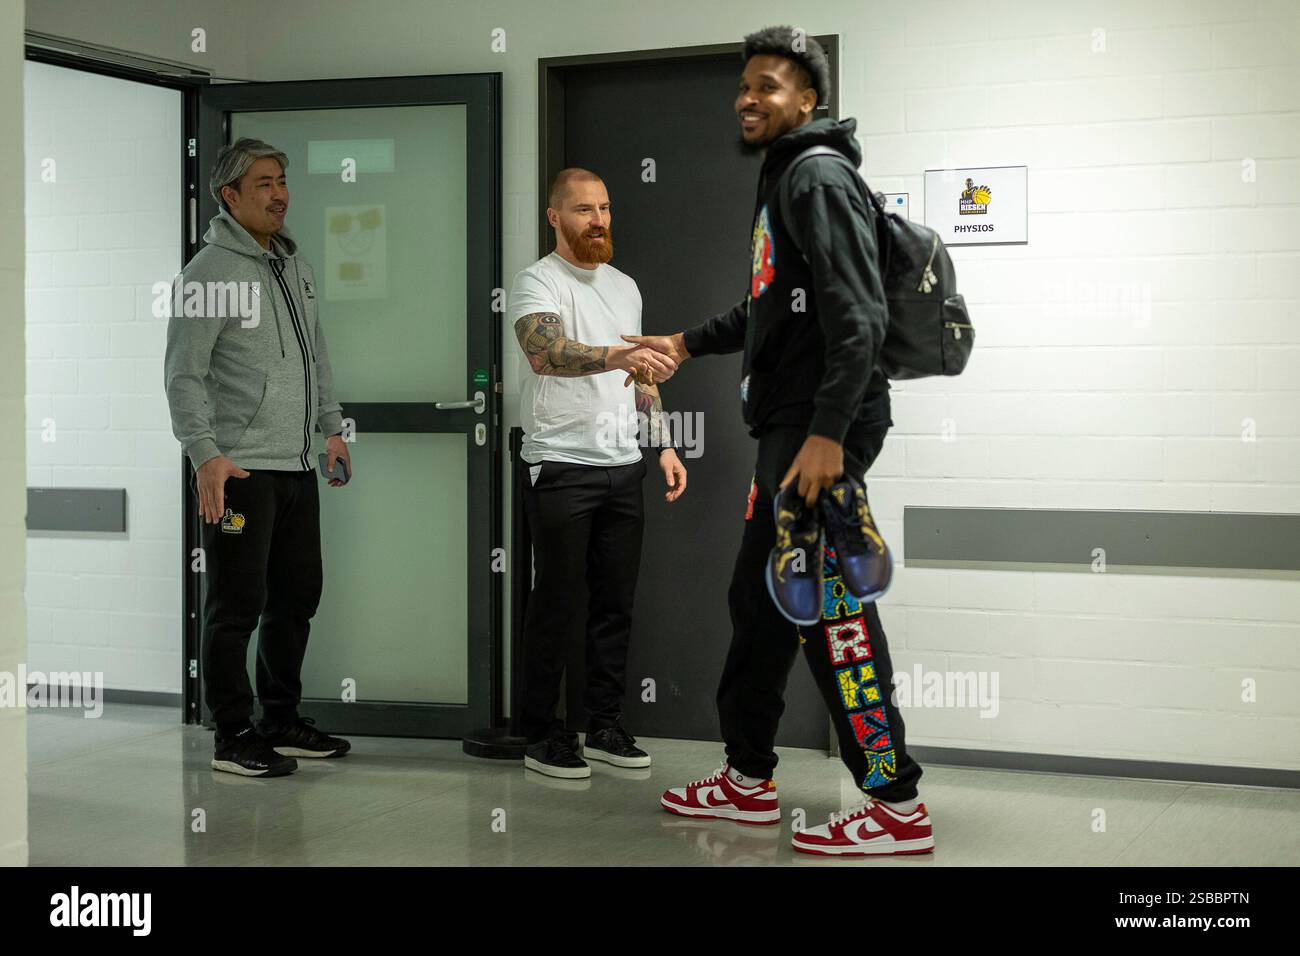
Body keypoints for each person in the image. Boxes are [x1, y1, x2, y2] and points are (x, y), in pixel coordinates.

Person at [631, 27, 934, 855]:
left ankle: (893, 803)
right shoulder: (786, 178)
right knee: (761, 599)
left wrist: (829, 434)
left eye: (769, 86)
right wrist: (685, 343)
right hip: (792, 430)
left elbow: (860, 316)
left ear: (808, 101)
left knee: (831, 611)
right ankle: (747, 778)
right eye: (744, 87)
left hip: (815, 434)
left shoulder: (817, 176)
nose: (749, 99)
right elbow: (771, 309)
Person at [164, 137, 352, 778]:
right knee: (235, 606)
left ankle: (280, 718)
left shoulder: (292, 267)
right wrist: (205, 455)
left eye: (282, 181)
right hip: (240, 469)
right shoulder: (208, 274)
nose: (280, 194)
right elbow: (183, 377)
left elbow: (314, 357)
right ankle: (232, 733)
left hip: (298, 468)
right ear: (230, 195)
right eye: (265, 183)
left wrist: (332, 429)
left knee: (297, 598)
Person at [509, 168, 688, 779]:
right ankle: (543, 733)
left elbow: (640, 375)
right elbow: (544, 353)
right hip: (560, 464)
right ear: (555, 217)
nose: (599, 221)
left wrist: (661, 443)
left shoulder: (625, 286)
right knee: (555, 603)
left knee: (615, 604)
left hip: (623, 465)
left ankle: (605, 725)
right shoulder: (536, 281)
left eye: (606, 209)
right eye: (584, 210)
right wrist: (616, 353)